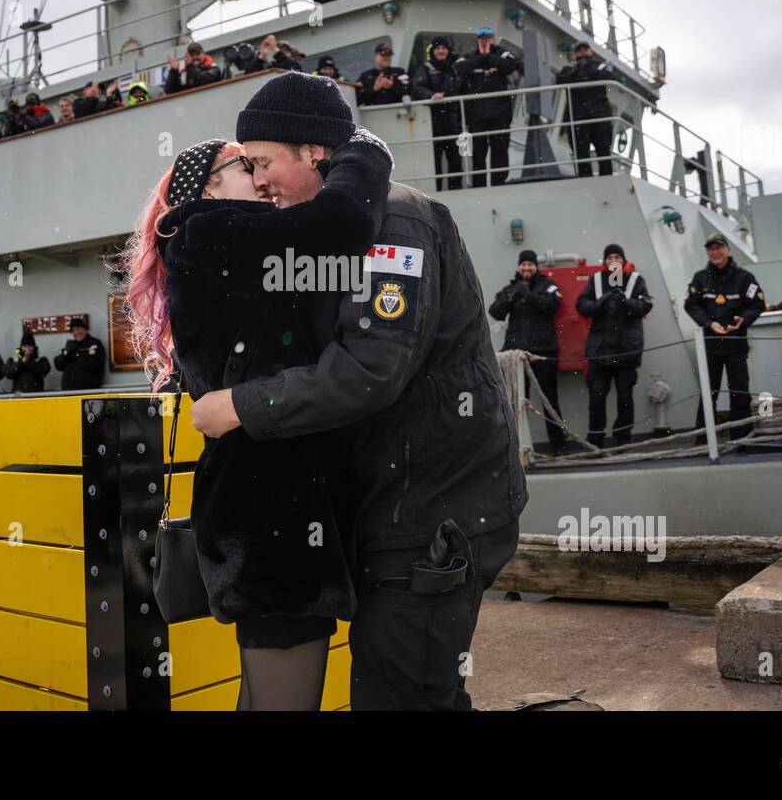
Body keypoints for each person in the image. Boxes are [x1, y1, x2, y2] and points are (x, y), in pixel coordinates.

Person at [190, 73, 525, 710]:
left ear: (313, 152)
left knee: (402, 697)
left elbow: (371, 369)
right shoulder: (335, 228)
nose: (257, 181)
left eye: (263, 163)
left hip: (435, 511)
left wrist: (241, 406)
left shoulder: (394, 222)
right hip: (400, 504)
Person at [124, 110, 392, 710]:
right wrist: (363, 151)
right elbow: (341, 223)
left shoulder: (227, 244)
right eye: (244, 164)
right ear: (209, 188)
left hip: (269, 507)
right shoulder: (207, 229)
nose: (260, 176)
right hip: (272, 516)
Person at [684, 233, 766, 439]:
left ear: (727, 250)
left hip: (735, 344)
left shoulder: (744, 278)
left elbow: (757, 304)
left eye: (719, 247)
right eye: (711, 248)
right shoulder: (699, 279)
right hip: (710, 346)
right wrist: (708, 323)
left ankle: (742, 437)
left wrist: (743, 320)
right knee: (708, 392)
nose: (715, 252)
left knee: (739, 391)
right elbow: (691, 304)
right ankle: (704, 438)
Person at [488, 249, 567, 454]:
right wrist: (509, 298)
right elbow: (495, 312)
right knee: (513, 401)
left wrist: (529, 296)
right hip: (516, 354)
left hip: (543, 352)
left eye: (530, 264)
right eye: (523, 264)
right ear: (518, 267)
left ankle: (559, 446)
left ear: (536, 266)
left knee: (549, 400)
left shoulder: (548, 286)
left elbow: (552, 306)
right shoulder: (510, 289)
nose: (526, 268)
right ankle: (513, 448)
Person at [576, 244, 653, 448]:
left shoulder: (636, 280)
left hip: (626, 351)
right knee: (596, 399)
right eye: (609, 257)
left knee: (625, 399)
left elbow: (646, 305)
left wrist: (626, 302)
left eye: (617, 256)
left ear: (624, 260)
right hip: (600, 352)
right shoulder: (596, 280)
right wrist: (601, 302)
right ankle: (595, 442)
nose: (613, 260)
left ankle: (623, 441)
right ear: (604, 262)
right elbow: (581, 305)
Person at [454, 27, 519, 187]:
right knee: (477, 150)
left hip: (500, 113)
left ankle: (499, 182)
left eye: (487, 38)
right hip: (477, 114)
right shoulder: (470, 55)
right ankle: (479, 184)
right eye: (482, 39)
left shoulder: (502, 52)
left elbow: (510, 65)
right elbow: (459, 69)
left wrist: (488, 55)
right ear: (478, 41)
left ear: (493, 39)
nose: (484, 41)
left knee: (500, 148)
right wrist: (480, 57)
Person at [555, 41, 617, 177]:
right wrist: (577, 70)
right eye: (579, 50)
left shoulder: (600, 66)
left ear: (591, 52)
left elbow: (609, 78)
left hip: (599, 116)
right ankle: (586, 180)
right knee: (581, 154)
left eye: (585, 49)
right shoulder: (568, 69)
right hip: (578, 118)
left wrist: (590, 69)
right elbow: (560, 80)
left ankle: (606, 180)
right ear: (574, 54)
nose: (582, 52)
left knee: (603, 151)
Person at [411, 36, 464, 191]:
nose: (441, 51)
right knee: (435, 163)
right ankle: (437, 194)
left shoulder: (454, 68)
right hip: (433, 124)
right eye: (438, 48)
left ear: (448, 50)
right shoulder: (425, 68)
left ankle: (457, 191)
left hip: (453, 123)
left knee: (455, 161)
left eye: (444, 48)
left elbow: (462, 88)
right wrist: (431, 95)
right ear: (433, 51)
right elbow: (418, 88)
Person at [54, 317, 106, 390]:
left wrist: (75, 354)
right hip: (68, 391)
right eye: (73, 330)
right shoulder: (71, 345)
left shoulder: (94, 343)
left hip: (88, 391)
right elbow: (58, 365)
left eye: (78, 328)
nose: (76, 332)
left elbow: (93, 365)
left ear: (85, 329)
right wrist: (66, 353)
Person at [354, 42, 410, 107]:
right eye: (383, 54)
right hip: (372, 114)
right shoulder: (365, 76)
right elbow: (356, 98)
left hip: (396, 112)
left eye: (389, 55)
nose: (387, 57)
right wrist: (374, 89)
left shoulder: (400, 72)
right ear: (375, 56)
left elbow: (409, 91)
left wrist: (392, 86)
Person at [4, 328, 50, 394]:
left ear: (34, 347)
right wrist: (22, 362)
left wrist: (28, 362)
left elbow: (43, 372)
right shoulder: (13, 360)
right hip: (19, 398)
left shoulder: (41, 360)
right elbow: (8, 373)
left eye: (30, 346)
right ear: (21, 347)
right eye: (25, 346)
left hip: (36, 398)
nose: (27, 349)